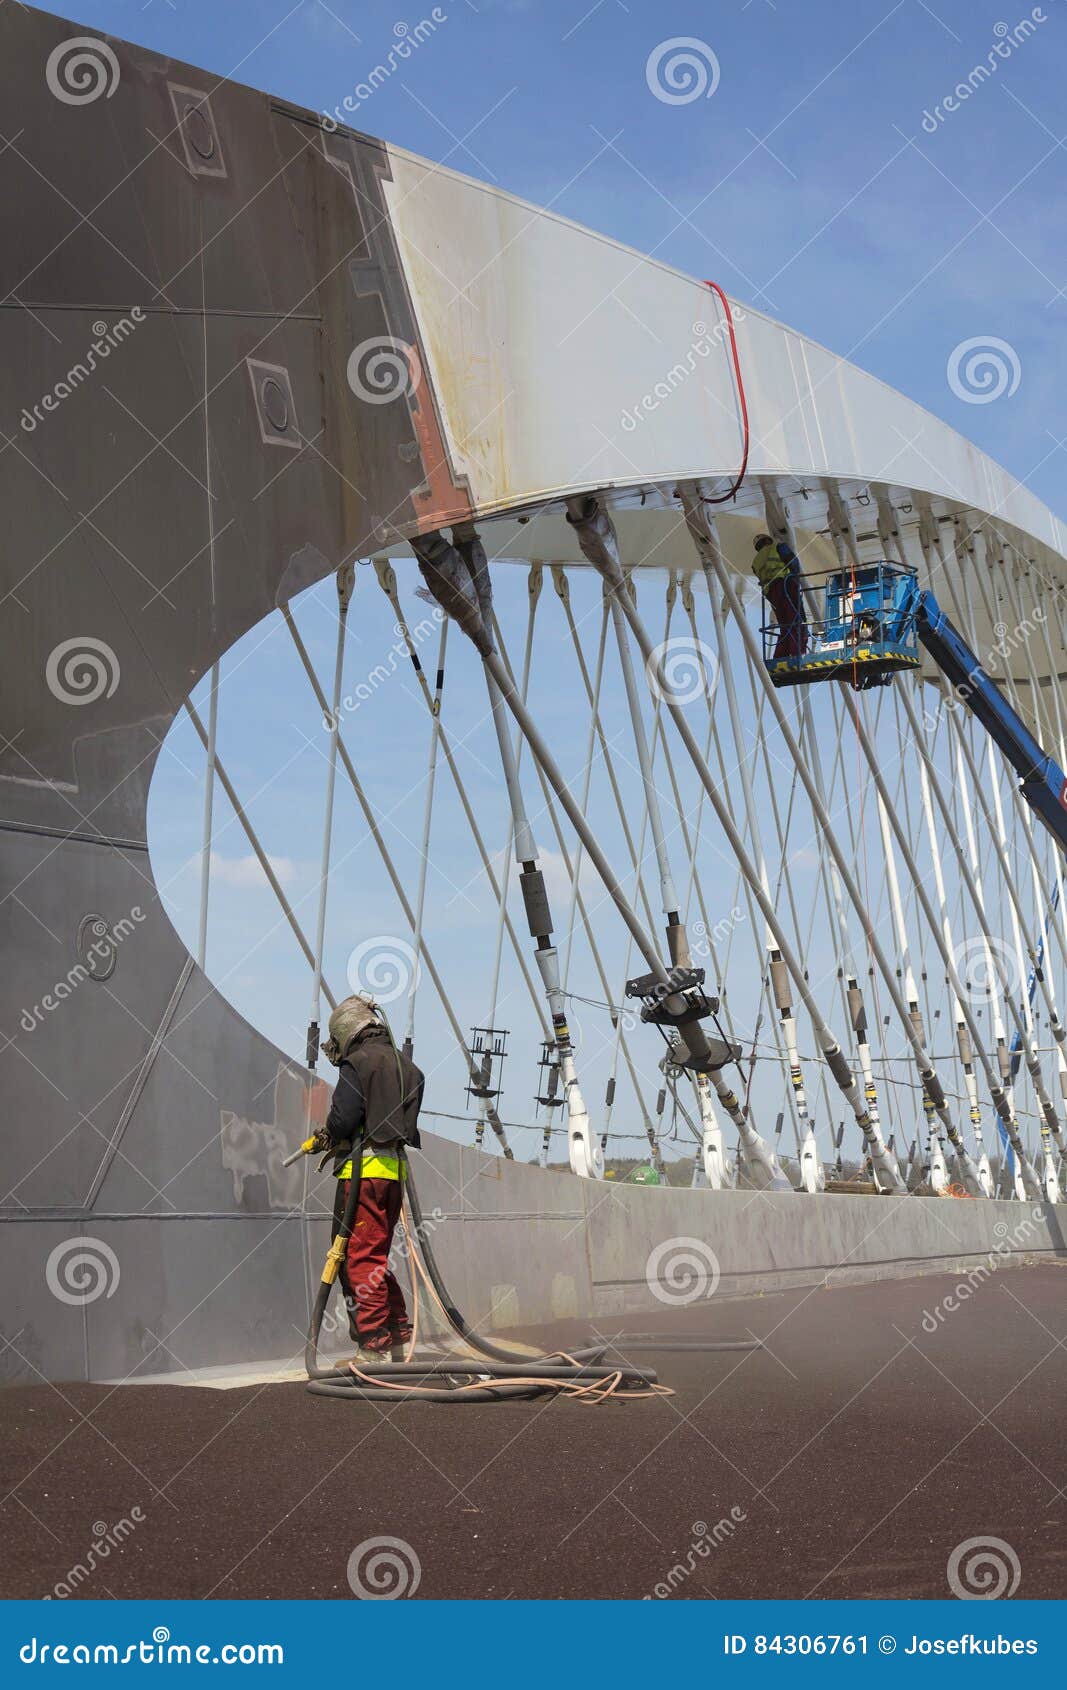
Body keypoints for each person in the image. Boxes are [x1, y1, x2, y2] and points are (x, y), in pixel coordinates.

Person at [318, 993, 424, 1357]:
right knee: (375, 1256)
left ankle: (373, 1348)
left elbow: (344, 1118)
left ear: (347, 1032)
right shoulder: (406, 1067)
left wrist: (329, 1134)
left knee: (358, 1259)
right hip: (393, 1175)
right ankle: (395, 1336)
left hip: (362, 1175)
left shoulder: (357, 1063)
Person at [752, 532, 809, 660]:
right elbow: (794, 564)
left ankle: (780, 656)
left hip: (771, 594)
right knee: (796, 619)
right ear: (768, 541)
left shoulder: (755, 562)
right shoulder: (778, 547)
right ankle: (797, 654)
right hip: (786, 585)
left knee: (784, 625)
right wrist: (796, 579)